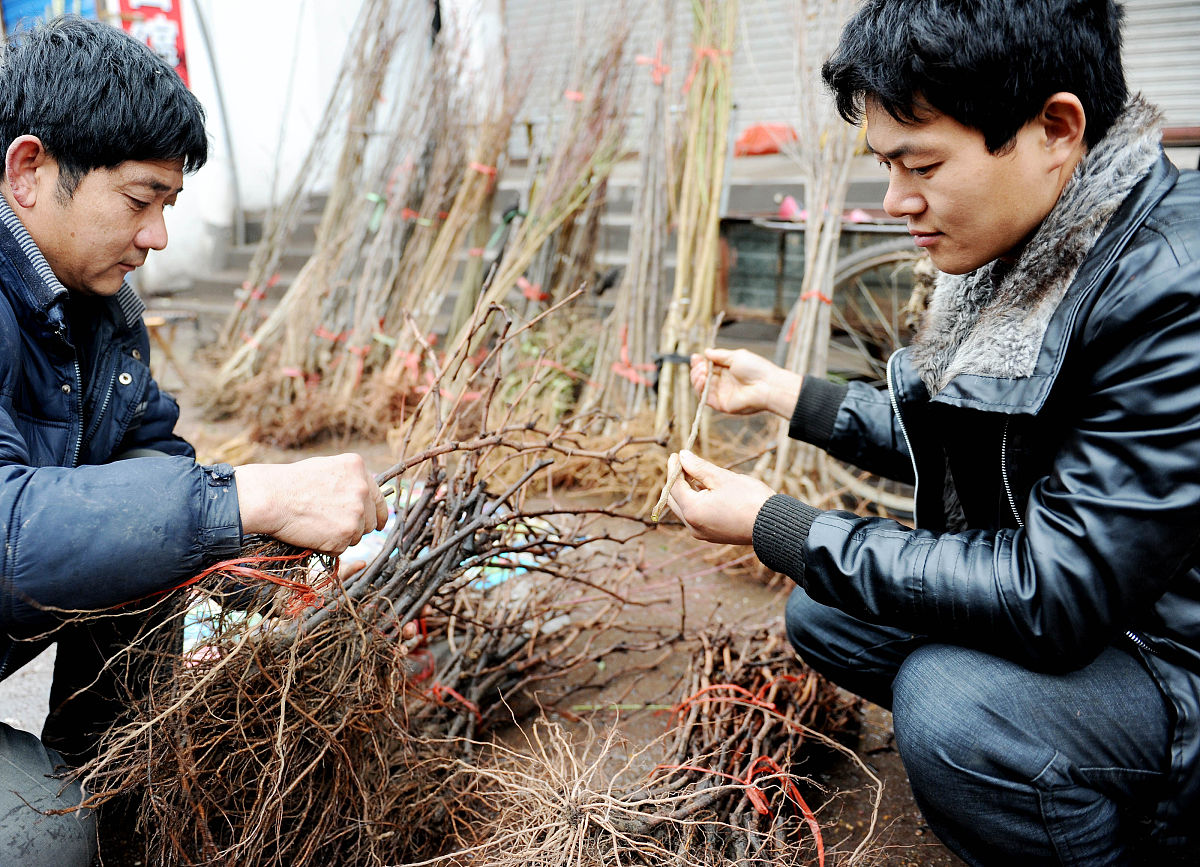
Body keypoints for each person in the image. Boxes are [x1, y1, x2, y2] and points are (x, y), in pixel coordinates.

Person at [667, 1, 1200, 863]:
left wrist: (779, 522)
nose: (895, 200)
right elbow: (978, 427)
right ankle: (1070, 783)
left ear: (1056, 129)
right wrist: (791, 395)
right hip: (1112, 607)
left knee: (953, 706)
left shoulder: (1172, 293)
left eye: (919, 164)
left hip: (1174, 655)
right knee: (828, 612)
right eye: (884, 164)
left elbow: (1050, 591)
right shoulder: (1045, 240)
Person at [0, 17, 387, 865]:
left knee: (153, 547)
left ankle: (106, 805)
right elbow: (7, 531)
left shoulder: (102, 310)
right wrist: (256, 493)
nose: (157, 238)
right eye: (140, 201)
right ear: (30, 170)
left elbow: (149, 470)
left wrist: (266, 560)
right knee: (36, 836)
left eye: (168, 207)